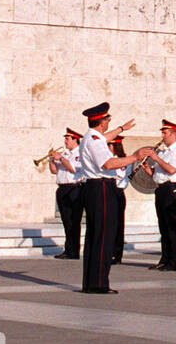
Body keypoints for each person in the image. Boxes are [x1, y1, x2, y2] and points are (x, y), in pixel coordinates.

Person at [75, 102, 142, 294]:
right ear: (101, 121)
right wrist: (135, 157)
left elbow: (104, 138)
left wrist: (121, 128)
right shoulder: (95, 141)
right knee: (104, 236)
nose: (108, 123)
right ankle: (98, 283)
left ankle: (91, 281)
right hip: (102, 188)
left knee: (95, 236)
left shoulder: (91, 137)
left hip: (94, 188)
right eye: (107, 120)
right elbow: (108, 163)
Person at [148, 119, 176, 271]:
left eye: (165, 133)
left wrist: (156, 158)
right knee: (163, 226)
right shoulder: (164, 152)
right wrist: (148, 169)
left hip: (172, 189)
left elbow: (172, 170)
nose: (162, 135)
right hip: (161, 189)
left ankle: (174, 261)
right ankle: (165, 258)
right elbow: (157, 174)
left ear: (173, 134)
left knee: (172, 226)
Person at [49, 129, 83, 260]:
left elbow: (73, 169)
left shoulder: (79, 154)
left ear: (75, 140)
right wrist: (52, 160)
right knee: (66, 221)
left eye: (68, 139)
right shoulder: (66, 154)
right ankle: (68, 249)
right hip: (62, 187)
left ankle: (73, 251)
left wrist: (61, 158)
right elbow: (54, 171)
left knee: (73, 221)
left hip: (74, 188)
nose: (65, 141)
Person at [108, 134, 128, 264]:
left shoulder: (123, 160)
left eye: (109, 145)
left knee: (118, 225)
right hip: (108, 191)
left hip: (117, 191)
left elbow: (119, 175)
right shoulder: (107, 159)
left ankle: (117, 254)